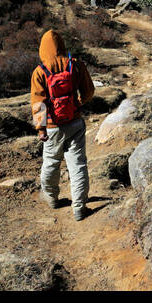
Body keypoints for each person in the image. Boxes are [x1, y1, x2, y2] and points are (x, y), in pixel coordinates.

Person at [31, 29, 95, 221]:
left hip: (52, 127)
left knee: (51, 163)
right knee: (77, 165)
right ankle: (79, 208)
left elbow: (38, 102)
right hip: (75, 122)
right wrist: (79, 103)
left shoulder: (40, 72)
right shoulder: (75, 65)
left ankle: (51, 199)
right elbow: (89, 91)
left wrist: (41, 128)